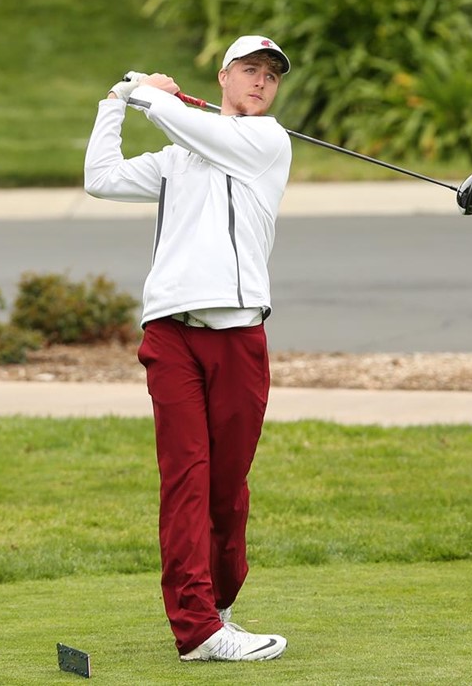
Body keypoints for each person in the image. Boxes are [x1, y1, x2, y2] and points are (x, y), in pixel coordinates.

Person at [83, 35, 294, 663]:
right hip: (171, 335)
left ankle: (220, 603)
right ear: (224, 77)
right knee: (185, 480)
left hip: (238, 336)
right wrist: (117, 101)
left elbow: (202, 131)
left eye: (271, 76)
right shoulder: (178, 157)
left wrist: (152, 94)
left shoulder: (267, 142)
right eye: (250, 71)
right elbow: (99, 179)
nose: (261, 83)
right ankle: (197, 629)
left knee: (228, 490)